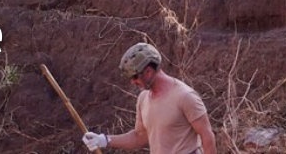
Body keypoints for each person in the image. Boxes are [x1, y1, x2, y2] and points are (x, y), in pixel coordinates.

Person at [82, 42, 216, 154]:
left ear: (148, 71)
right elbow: (139, 137)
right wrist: (104, 140)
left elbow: (207, 136)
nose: (133, 82)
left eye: (135, 77)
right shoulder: (143, 98)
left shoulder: (185, 96)